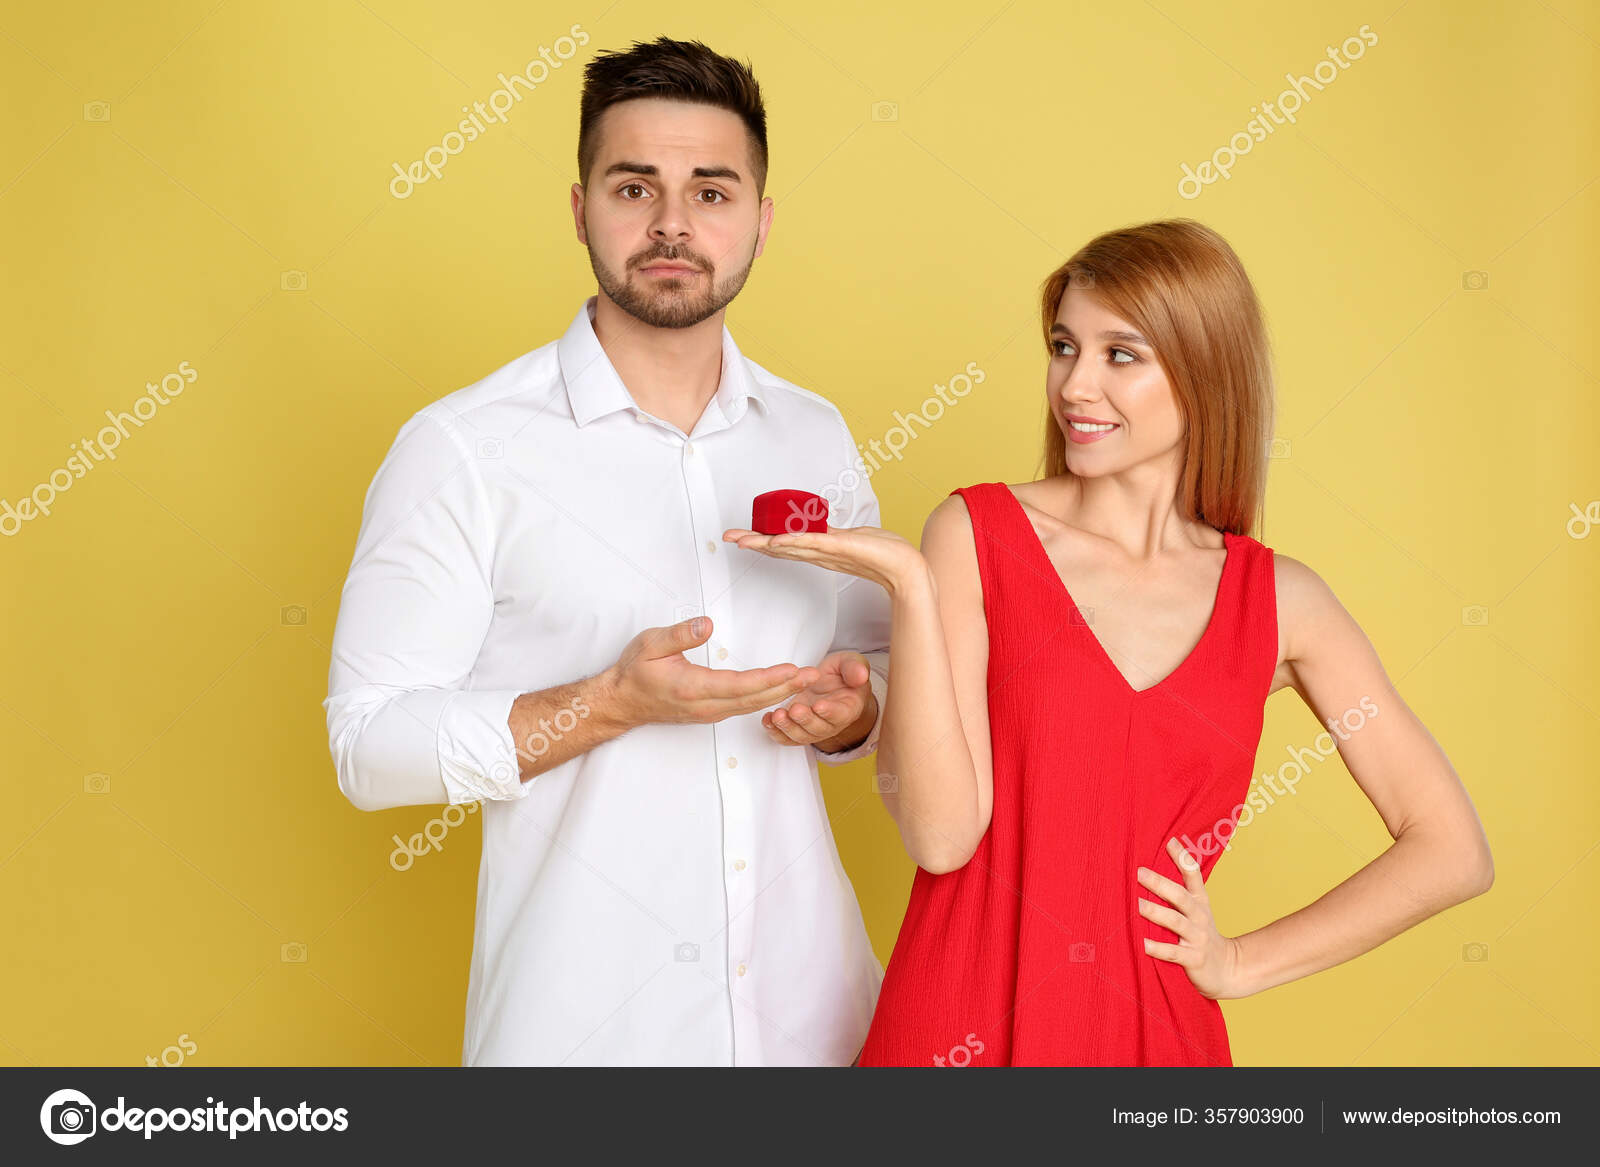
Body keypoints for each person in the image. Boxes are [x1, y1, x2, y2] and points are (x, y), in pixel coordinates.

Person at [725, 219, 1494, 1066]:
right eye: (1064, 346)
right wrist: (910, 585)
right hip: (958, 1026)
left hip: (1152, 1045)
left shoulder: (1281, 602)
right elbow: (943, 839)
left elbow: (1451, 848)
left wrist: (1238, 961)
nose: (1075, 385)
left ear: (1203, 370)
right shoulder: (974, 533)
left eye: (1120, 354)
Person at [324, 36, 891, 1066]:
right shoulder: (463, 449)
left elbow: (878, 665)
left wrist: (859, 710)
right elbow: (367, 746)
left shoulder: (815, 434)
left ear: (759, 221)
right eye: (635, 186)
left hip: (821, 1029)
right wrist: (610, 705)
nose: (672, 223)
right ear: (580, 207)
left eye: (710, 192)